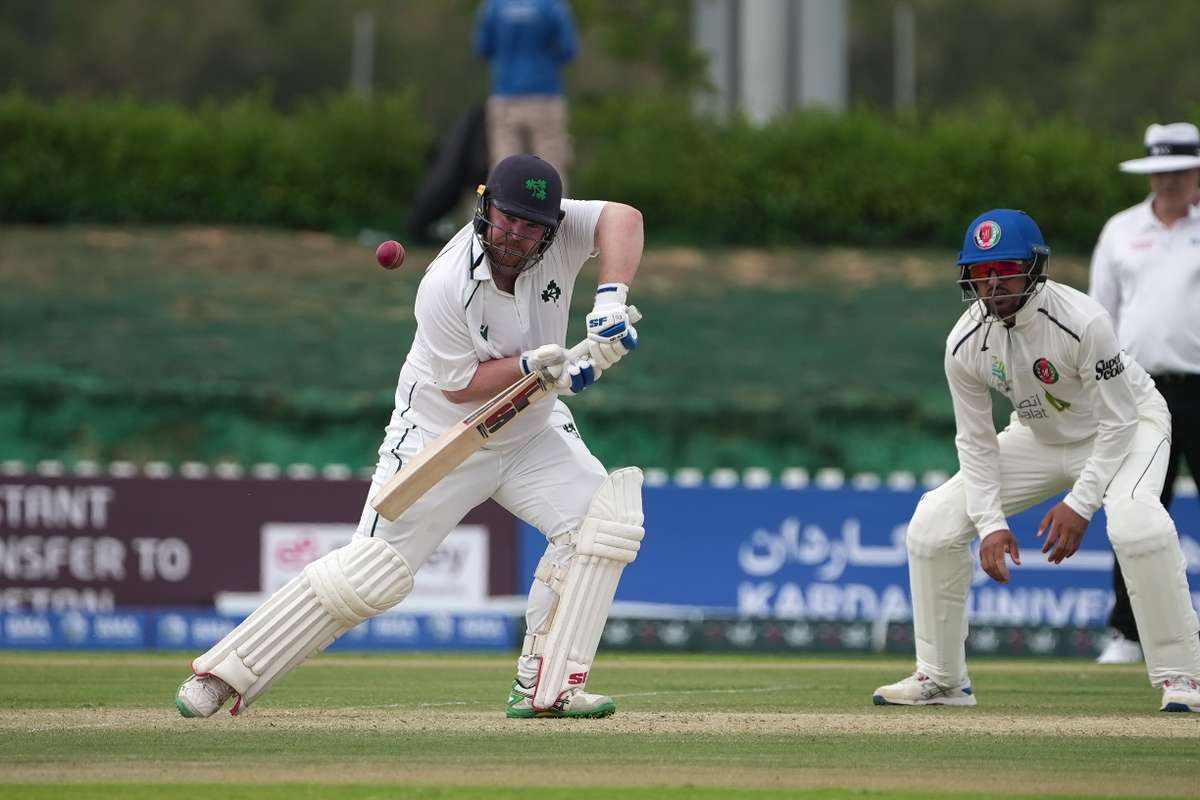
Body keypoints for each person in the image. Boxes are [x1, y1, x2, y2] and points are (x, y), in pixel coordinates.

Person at [175, 154, 646, 719]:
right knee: (371, 574)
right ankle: (223, 673)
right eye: (506, 218)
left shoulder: (560, 228)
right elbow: (461, 387)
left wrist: (610, 300)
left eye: (530, 226)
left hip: (529, 433)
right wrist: (540, 366)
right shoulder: (446, 285)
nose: (515, 234)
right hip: (441, 438)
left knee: (604, 523)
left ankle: (548, 689)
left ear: (550, 227)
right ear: (483, 207)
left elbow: (623, 217)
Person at [872, 208, 1200, 712]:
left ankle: (1186, 677)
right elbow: (976, 442)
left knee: (1135, 523)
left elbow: (1118, 423)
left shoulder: (1084, 321)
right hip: (1040, 435)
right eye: (981, 273)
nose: (994, 283)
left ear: (1035, 268)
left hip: (1130, 425)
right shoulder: (963, 343)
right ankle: (941, 679)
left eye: (1006, 269)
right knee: (932, 524)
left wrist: (1080, 504)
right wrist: (990, 523)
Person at [1088, 122, 1200, 665]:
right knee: (1134, 507)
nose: (1168, 182)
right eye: (1159, 172)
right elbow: (1098, 314)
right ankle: (1129, 633)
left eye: (1178, 171)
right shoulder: (1121, 229)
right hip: (1137, 390)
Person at [474, 0, 578, 185]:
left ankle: (500, 213)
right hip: (545, 97)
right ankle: (553, 213)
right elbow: (568, 50)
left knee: (503, 170)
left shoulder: (494, 6)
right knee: (551, 170)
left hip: (505, 96)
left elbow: (483, 48)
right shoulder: (553, 5)